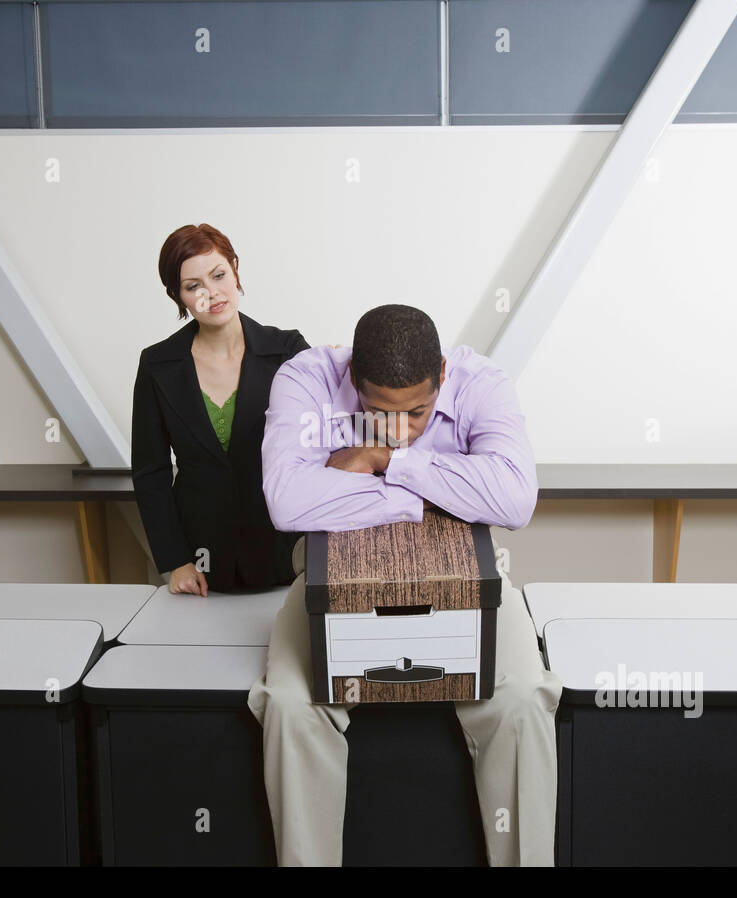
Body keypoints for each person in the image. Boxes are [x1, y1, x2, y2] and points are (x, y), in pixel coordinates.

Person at [249, 303, 562, 865]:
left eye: (418, 413)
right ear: (352, 380)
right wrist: (446, 494)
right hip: (332, 582)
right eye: (380, 413)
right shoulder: (305, 378)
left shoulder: (482, 382)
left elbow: (515, 500)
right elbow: (286, 502)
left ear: (442, 372)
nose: (401, 428)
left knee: (520, 700)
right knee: (290, 705)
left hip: (469, 580)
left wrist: (383, 460)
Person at [131, 224, 309, 594]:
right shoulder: (158, 365)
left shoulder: (288, 351)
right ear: (178, 296)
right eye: (193, 285)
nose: (211, 293)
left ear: (235, 270)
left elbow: (322, 443)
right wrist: (174, 561)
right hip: (201, 563)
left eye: (218, 275)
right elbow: (151, 472)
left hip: (286, 553)